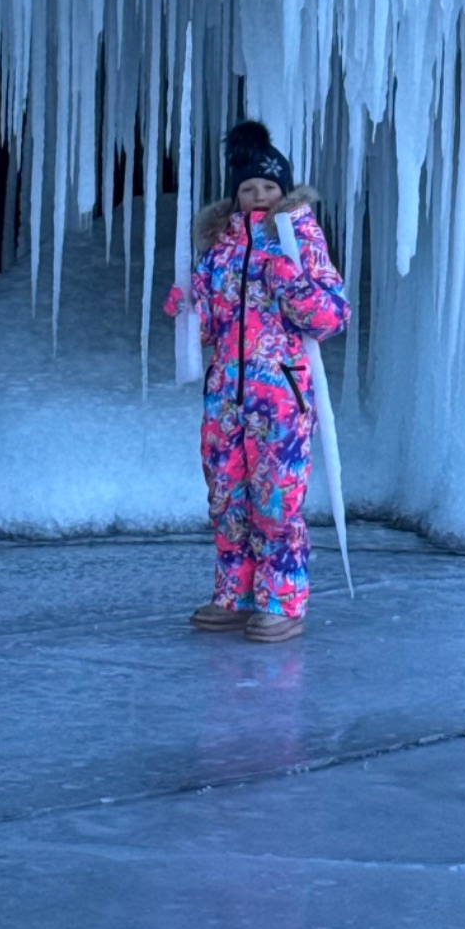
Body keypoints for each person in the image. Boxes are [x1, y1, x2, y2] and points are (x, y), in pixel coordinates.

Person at [164, 120, 350, 642]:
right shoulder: (219, 249)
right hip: (226, 395)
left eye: (269, 187)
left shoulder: (299, 239)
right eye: (249, 188)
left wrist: (289, 278)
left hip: (280, 393)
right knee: (226, 499)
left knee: (275, 502)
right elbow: (207, 323)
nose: (259, 195)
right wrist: (187, 309)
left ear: (284, 190)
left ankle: (281, 600)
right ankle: (236, 595)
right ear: (237, 195)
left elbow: (332, 316)